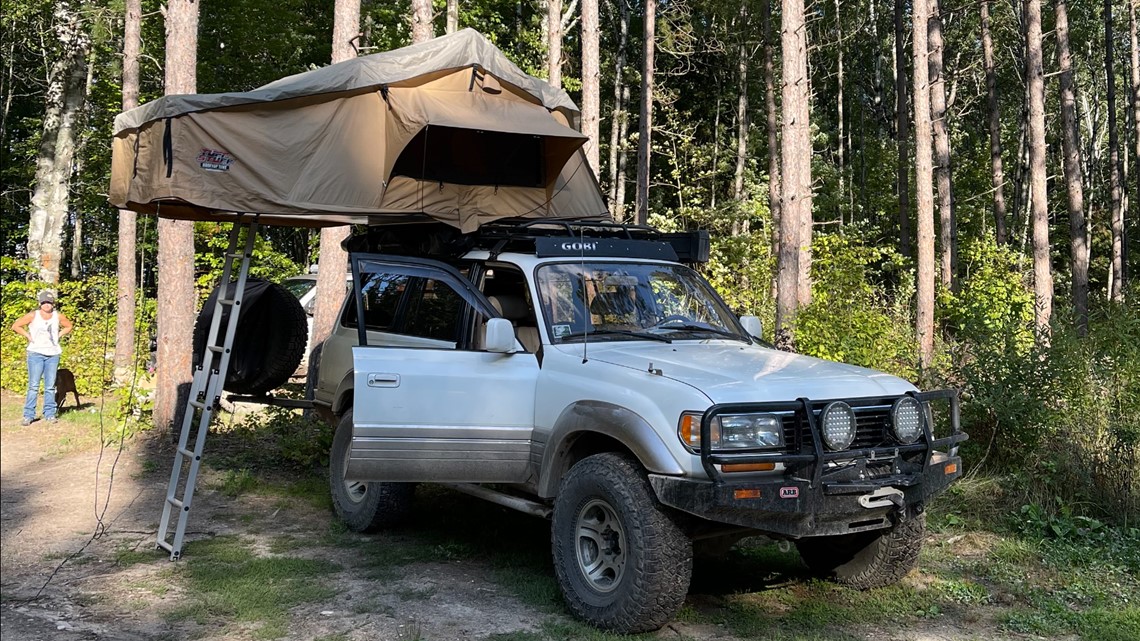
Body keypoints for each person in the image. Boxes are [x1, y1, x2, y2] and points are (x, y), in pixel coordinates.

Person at [11, 290, 73, 426]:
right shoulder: (33, 315)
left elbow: (69, 326)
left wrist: (59, 335)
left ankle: (50, 414)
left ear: (53, 304)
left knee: (50, 386)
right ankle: (29, 415)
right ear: (40, 303)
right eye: (44, 302)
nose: (47, 305)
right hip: (35, 354)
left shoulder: (58, 316)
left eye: (49, 303)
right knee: (33, 386)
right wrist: (28, 336)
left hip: (53, 354)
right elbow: (16, 326)